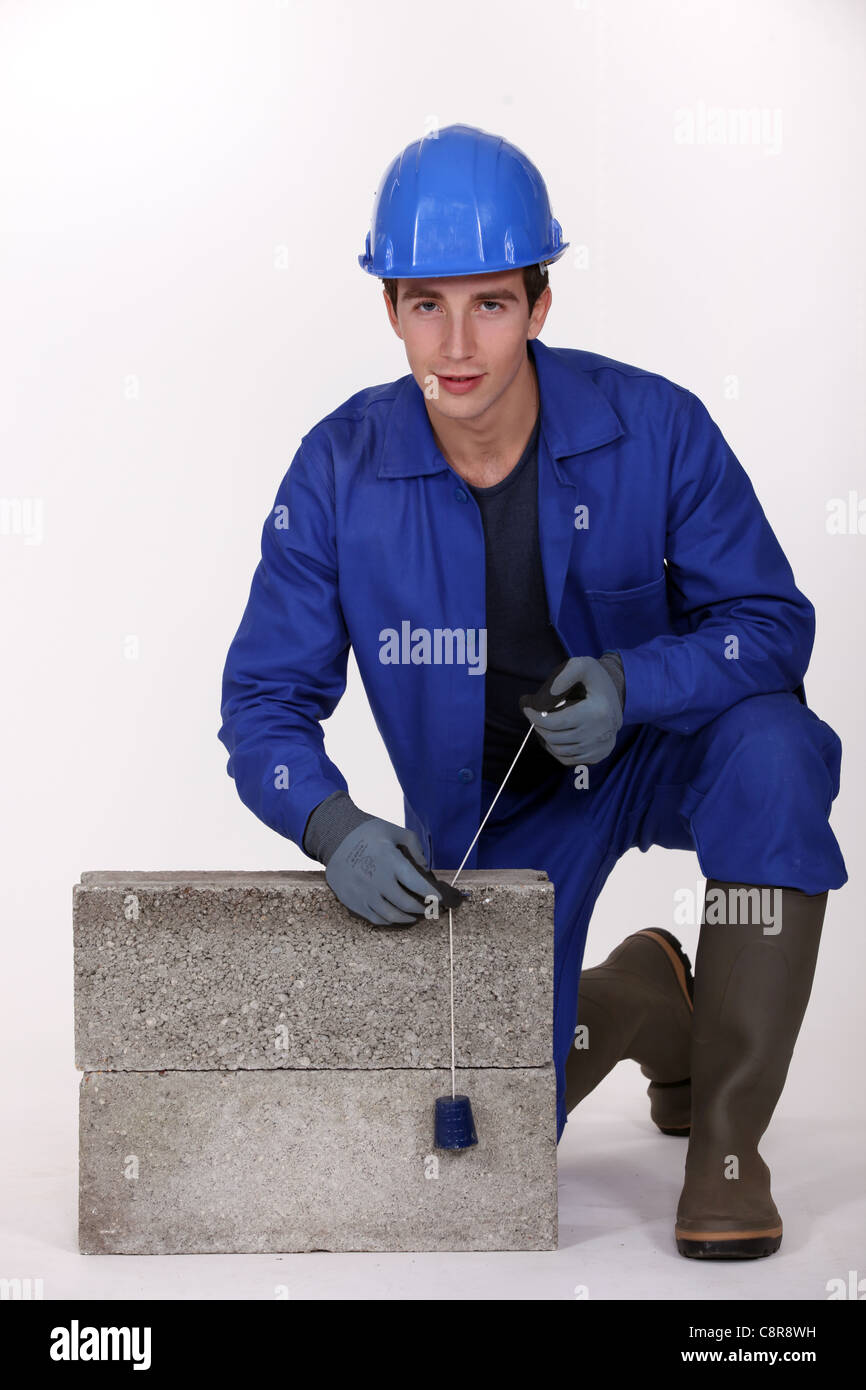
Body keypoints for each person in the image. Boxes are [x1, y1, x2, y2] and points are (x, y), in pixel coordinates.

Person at [217, 123, 847, 1259]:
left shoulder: (655, 427)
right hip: (498, 816)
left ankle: (727, 1146)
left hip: (662, 749)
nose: (456, 344)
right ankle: (650, 1000)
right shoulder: (336, 469)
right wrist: (332, 823)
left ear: (540, 303)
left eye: (490, 304)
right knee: (483, 1156)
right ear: (389, 308)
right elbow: (263, 698)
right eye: (425, 305)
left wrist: (631, 677)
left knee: (774, 753)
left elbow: (771, 627)